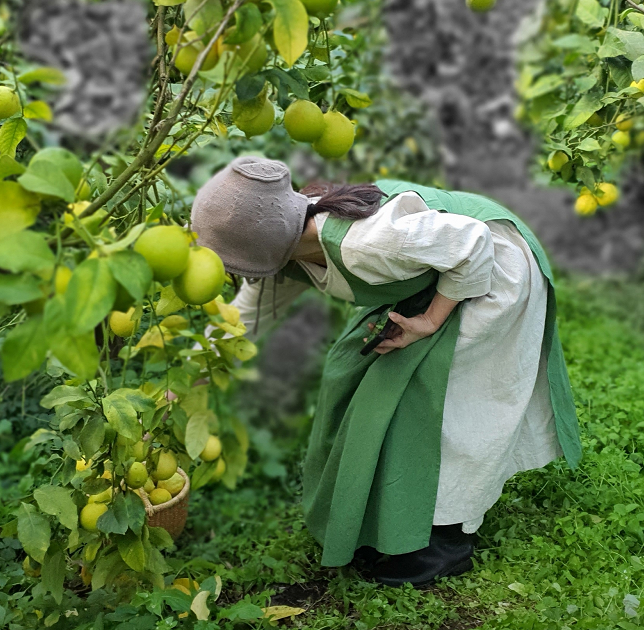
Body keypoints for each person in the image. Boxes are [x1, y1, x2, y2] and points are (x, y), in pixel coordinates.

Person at [190, 156, 581, 587]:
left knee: (442, 401)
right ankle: (390, 516)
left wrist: (430, 322)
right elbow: (244, 318)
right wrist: (190, 378)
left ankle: (443, 543)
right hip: (440, 270)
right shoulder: (289, 249)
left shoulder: (367, 243)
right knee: (364, 382)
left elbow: (471, 244)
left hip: (496, 271)